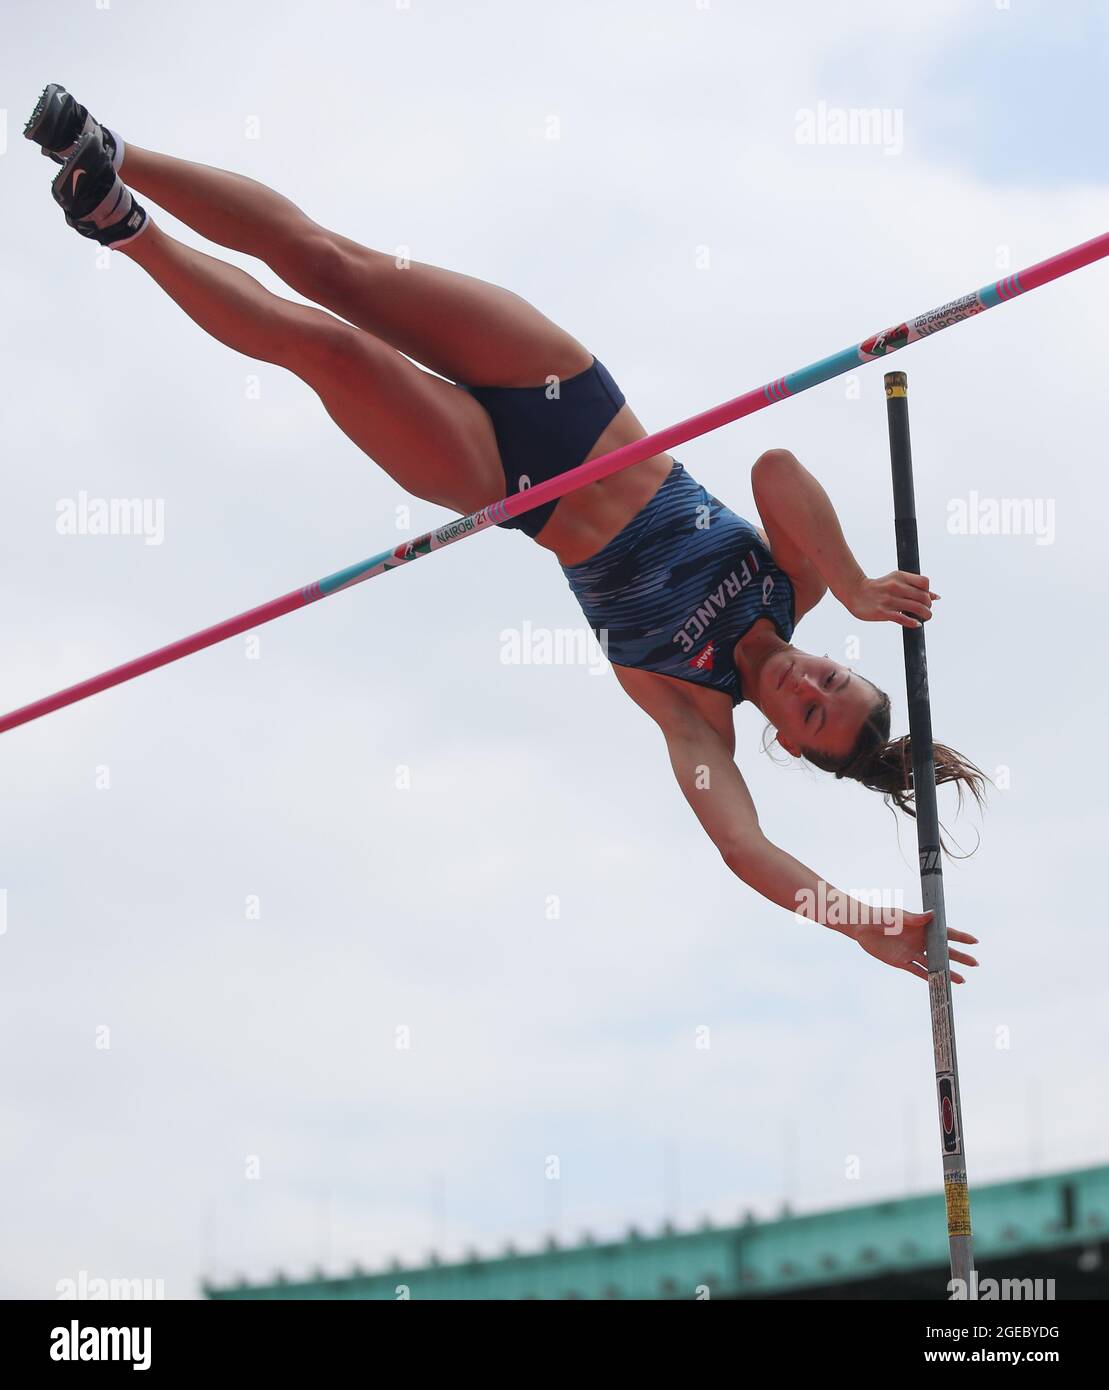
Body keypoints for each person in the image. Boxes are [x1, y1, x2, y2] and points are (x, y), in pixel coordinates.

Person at [28, 84, 984, 982]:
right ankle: (108, 149)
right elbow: (776, 469)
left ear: (784, 740)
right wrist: (855, 582)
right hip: (566, 391)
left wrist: (863, 922)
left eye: (811, 714)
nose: (807, 688)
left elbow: (744, 849)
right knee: (335, 266)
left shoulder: (692, 711)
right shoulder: (792, 583)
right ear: (840, 658)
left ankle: (121, 223)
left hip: (506, 486)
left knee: (326, 348)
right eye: (835, 680)